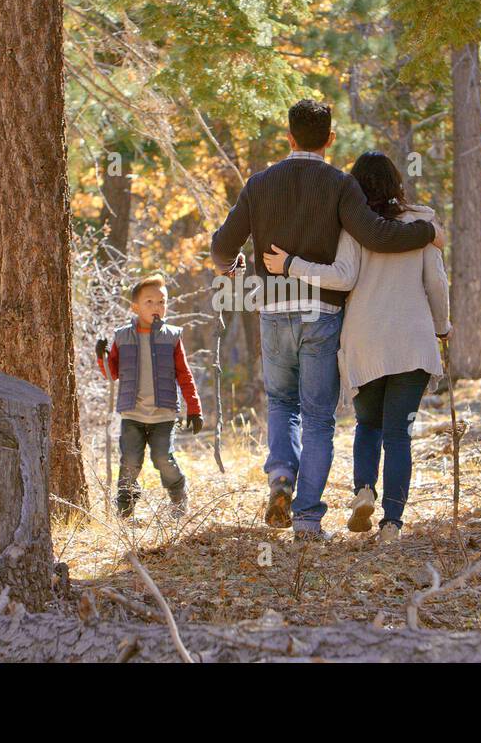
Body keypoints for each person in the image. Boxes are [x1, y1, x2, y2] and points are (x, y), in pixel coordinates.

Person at [210, 99, 444, 541]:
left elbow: (222, 249)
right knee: (318, 418)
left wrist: (231, 266)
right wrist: (428, 232)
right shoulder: (340, 185)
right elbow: (377, 234)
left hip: (274, 308)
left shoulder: (259, 184)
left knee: (281, 403)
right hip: (322, 312)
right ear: (330, 139)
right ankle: (307, 519)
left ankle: (280, 474)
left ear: (289, 136)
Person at [263, 151, 450, 543]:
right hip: (412, 342)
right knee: (399, 432)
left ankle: (364, 489)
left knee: (368, 424)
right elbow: (437, 284)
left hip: (365, 341)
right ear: (398, 183)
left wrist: (292, 264)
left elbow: (342, 278)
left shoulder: (352, 228)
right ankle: (392, 524)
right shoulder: (423, 225)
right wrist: (443, 327)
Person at [95, 273, 202, 519]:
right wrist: (101, 356)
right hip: (132, 413)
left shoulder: (172, 336)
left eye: (162, 302)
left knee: (163, 458)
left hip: (163, 414)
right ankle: (125, 507)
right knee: (130, 461)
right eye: (150, 302)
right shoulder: (122, 336)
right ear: (135, 307)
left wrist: (194, 409)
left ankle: (178, 493)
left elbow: (184, 374)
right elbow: (111, 375)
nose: (157, 307)